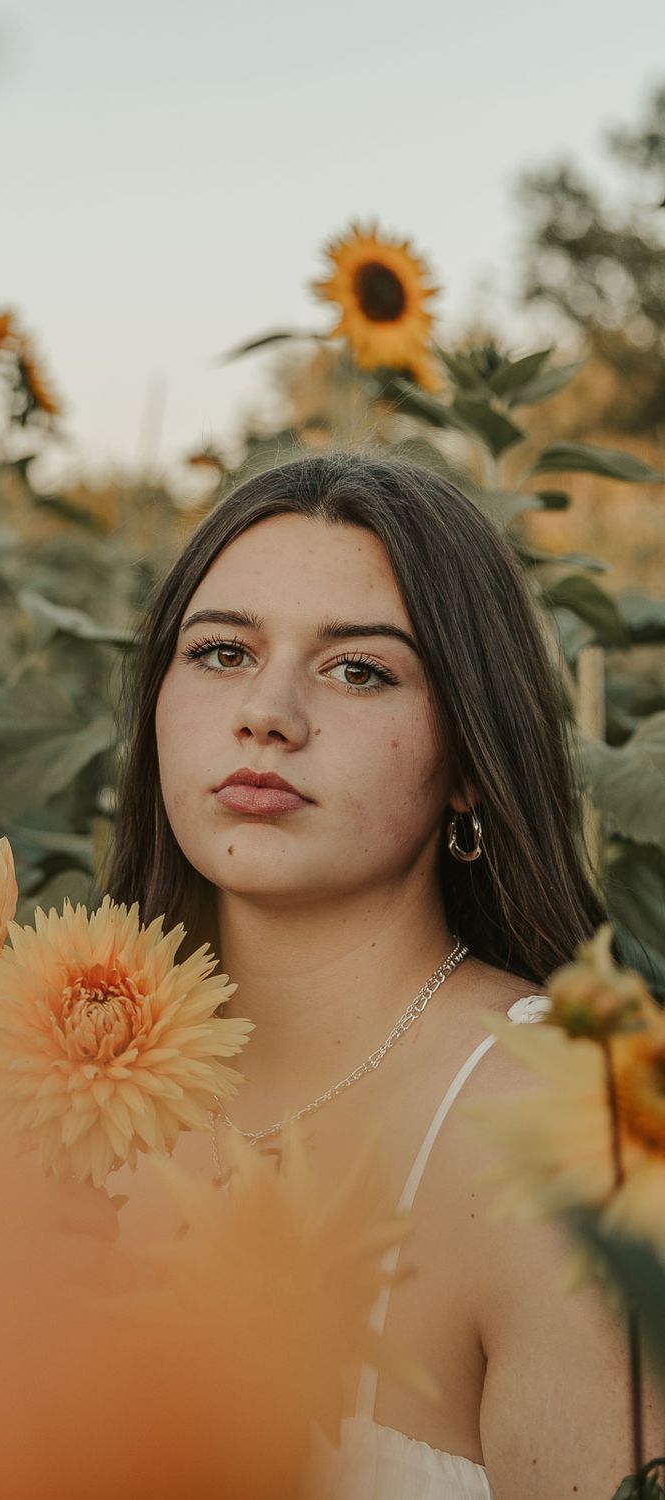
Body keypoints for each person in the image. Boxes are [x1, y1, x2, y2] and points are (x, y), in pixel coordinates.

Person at [106, 451, 655, 1497]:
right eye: (221, 652)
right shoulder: (43, 1081)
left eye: (358, 669)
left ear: (466, 759)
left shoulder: (568, 1130)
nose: (266, 713)